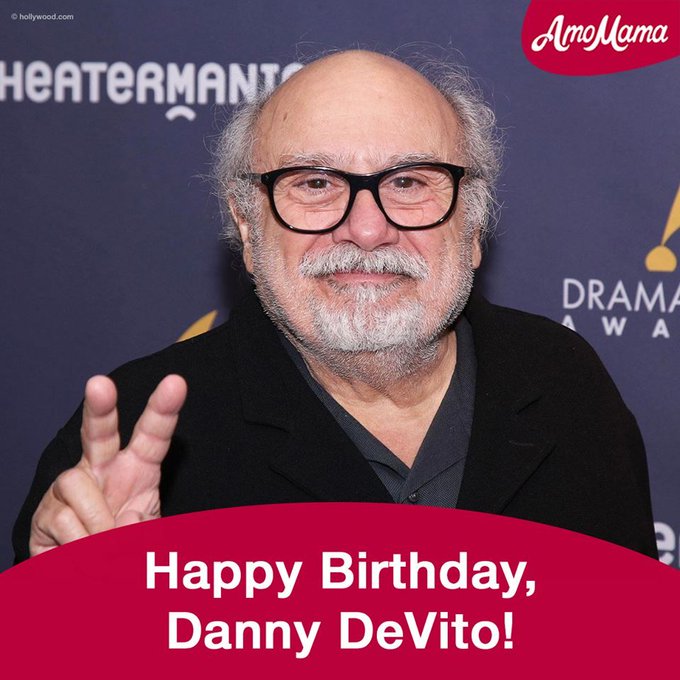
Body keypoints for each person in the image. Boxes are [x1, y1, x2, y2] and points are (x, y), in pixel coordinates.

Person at [13, 50, 658, 562]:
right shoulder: (133, 440)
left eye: (409, 181)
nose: (368, 229)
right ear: (247, 226)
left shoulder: (564, 382)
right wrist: (76, 604)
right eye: (315, 183)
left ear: (473, 226)